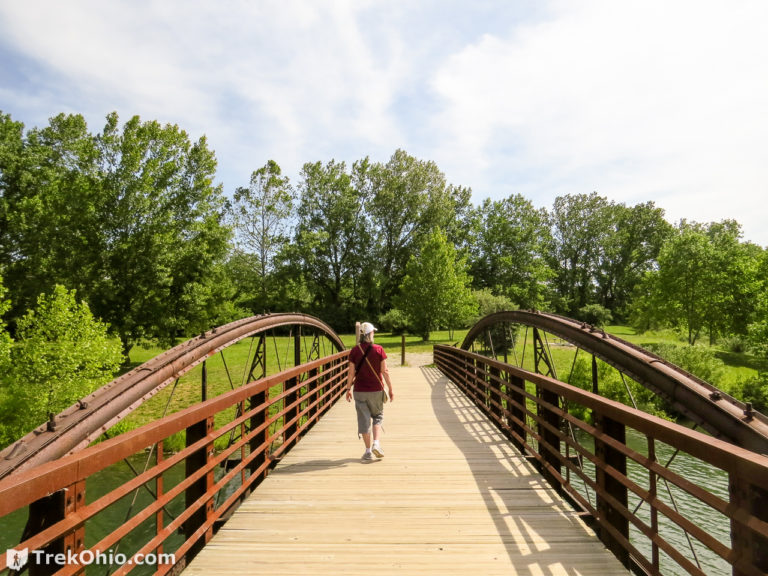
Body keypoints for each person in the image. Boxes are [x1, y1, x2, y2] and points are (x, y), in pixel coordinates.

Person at [346, 322, 394, 460]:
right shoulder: (379, 349)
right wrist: (390, 389)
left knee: (364, 420)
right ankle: (376, 444)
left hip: (359, 390)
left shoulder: (354, 351)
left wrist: (348, 389)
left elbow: (351, 373)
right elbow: (384, 371)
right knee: (377, 416)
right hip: (376, 390)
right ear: (371, 333)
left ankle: (367, 452)